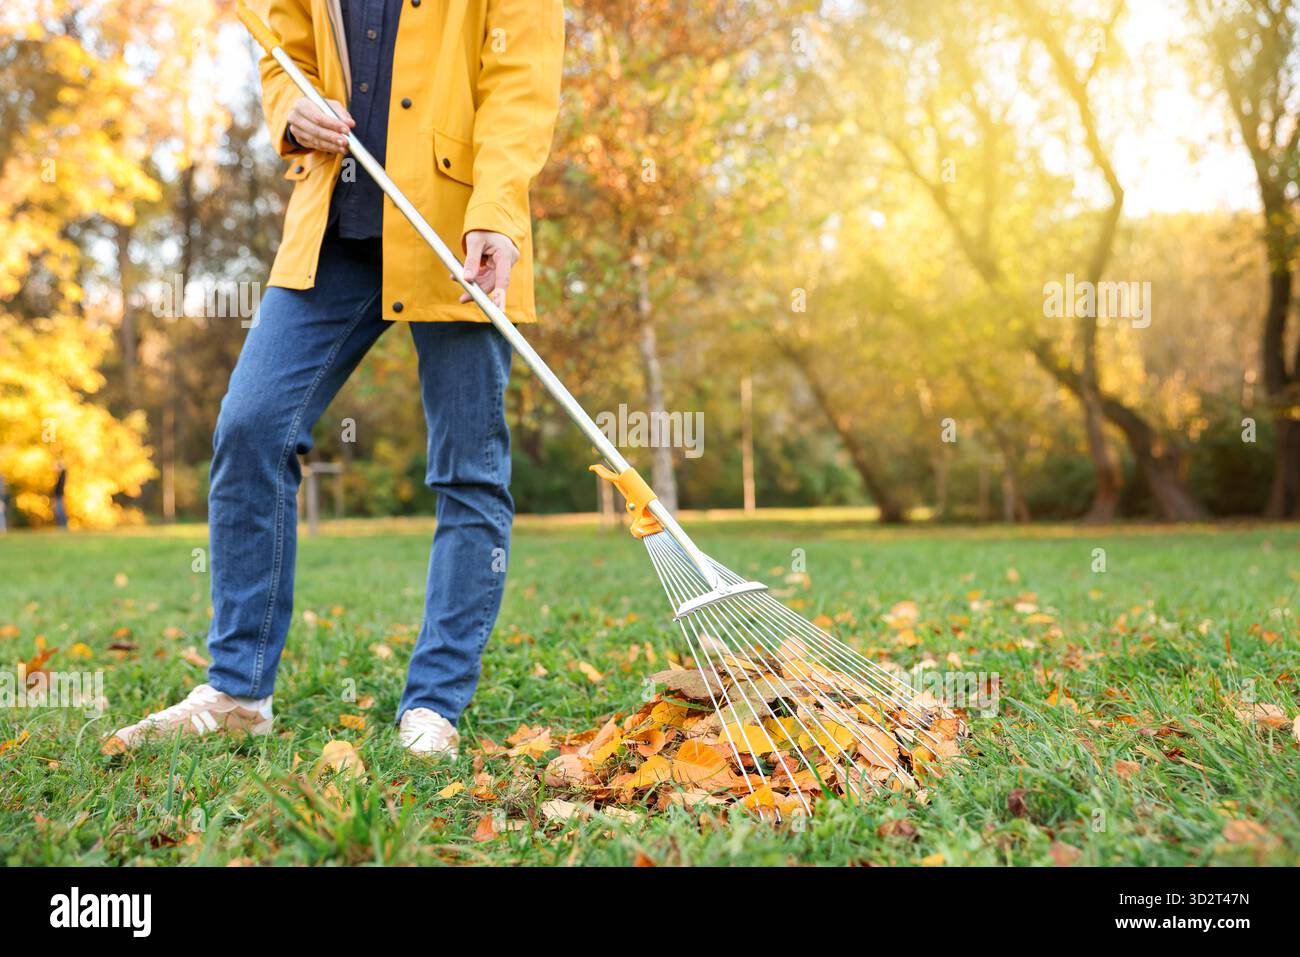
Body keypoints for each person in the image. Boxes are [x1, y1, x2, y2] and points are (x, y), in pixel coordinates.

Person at [105, 0, 565, 758]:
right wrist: (295, 112)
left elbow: (522, 80)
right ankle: (238, 692)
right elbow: (282, 46)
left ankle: (434, 705)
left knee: (469, 471)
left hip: (458, 230)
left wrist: (498, 212)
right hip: (334, 223)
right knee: (252, 426)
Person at [52, 460, 68, 529]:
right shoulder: (60, 476)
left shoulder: (62, 475)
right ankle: (62, 525)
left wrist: (61, 465)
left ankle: (63, 525)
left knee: (60, 511)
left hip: (59, 496)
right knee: (59, 511)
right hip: (58, 496)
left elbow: (64, 470)